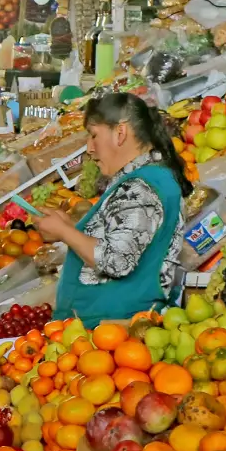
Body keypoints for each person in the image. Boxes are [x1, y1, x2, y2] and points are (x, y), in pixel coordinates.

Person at [37, 93, 191, 321]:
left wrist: (65, 232)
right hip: (111, 330)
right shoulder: (148, 178)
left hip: (116, 331)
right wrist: (71, 227)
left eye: (93, 135)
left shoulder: (140, 188)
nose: (89, 148)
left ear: (120, 133)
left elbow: (117, 261)